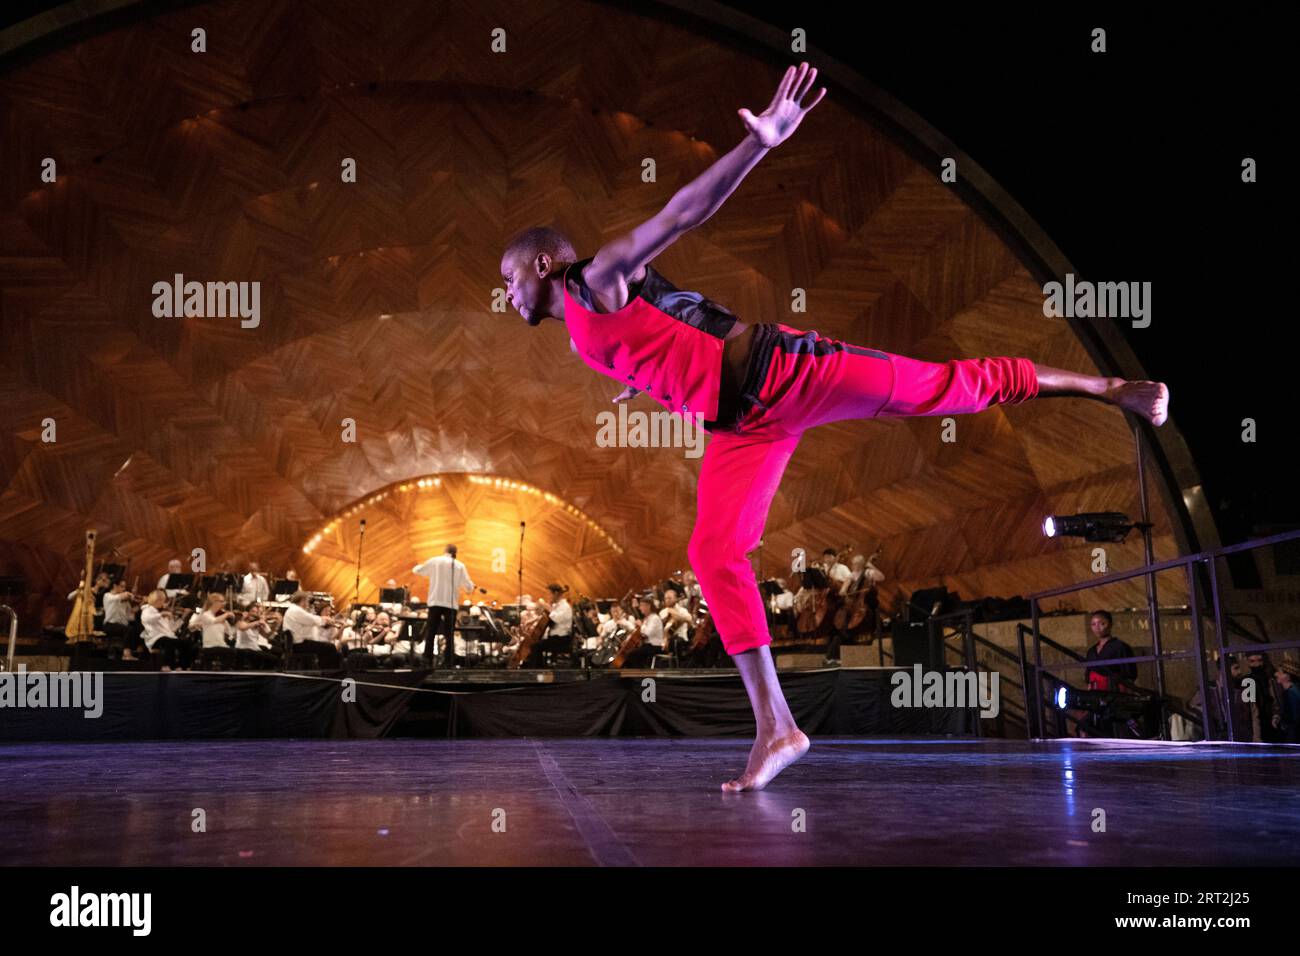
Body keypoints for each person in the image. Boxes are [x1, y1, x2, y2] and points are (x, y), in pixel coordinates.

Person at [500, 61, 1170, 790]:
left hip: (786, 371)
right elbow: (667, 341)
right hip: (742, 425)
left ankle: (1106, 386)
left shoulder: (594, 281)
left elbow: (682, 215)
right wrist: (647, 386)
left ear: (543, 263)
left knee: (943, 391)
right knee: (713, 551)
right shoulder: (585, 329)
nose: (507, 295)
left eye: (510, 279)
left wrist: (761, 143)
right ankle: (778, 727)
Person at [412, 544, 475, 668]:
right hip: (450, 604)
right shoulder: (459, 565)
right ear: (455, 553)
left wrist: (418, 567)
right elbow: (468, 587)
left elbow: (418, 570)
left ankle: (427, 661)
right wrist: (471, 586)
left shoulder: (435, 561)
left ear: (445, 551)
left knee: (431, 631)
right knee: (449, 633)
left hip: (435, 602)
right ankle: (448, 662)